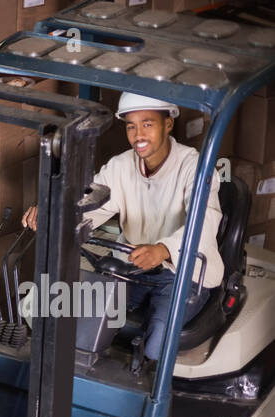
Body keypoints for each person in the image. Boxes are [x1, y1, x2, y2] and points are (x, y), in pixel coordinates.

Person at [23, 92, 222, 365]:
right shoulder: (120, 166)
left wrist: (163, 250)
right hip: (132, 266)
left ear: (168, 124)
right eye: (131, 125)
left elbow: (205, 221)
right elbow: (88, 203)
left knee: (155, 346)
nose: (138, 133)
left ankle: (150, 396)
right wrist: (50, 213)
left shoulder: (194, 166)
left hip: (183, 272)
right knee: (73, 316)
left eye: (147, 124)